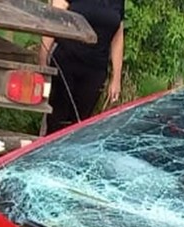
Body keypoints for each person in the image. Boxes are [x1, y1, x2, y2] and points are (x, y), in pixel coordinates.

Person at [40, 0, 126, 134]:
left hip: (96, 68)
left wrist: (116, 78)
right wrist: (43, 62)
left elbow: (118, 37)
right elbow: (53, 20)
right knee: (57, 119)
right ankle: (48, 151)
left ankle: (72, 154)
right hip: (66, 61)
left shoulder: (118, 2)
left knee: (81, 123)